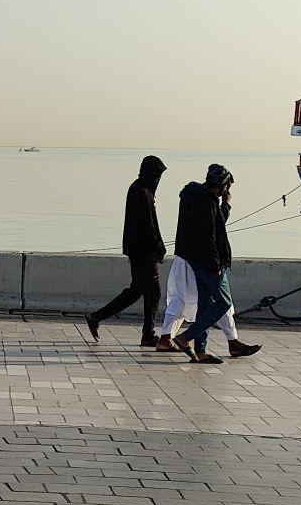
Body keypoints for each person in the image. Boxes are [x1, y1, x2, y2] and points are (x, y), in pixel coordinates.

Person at [172, 163, 259, 365]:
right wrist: (215, 265)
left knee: (205, 303)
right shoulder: (207, 203)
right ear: (224, 185)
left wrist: (225, 206)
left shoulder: (196, 197)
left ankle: (201, 351)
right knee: (223, 302)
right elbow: (209, 237)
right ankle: (186, 337)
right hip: (209, 263)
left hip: (194, 259)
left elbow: (215, 225)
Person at [87, 155, 167, 346]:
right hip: (144, 252)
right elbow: (147, 227)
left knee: (137, 290)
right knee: (153, 293)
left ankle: (96, 317)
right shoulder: (142, 192)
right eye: (157, 175)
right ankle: (148, 334)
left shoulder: (140, 188)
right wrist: (158, 248)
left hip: (138, 250)